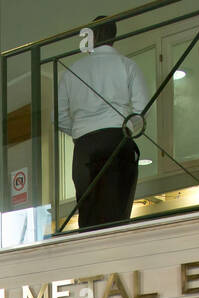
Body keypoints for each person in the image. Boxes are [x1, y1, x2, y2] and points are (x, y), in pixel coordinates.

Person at [57, 15, 149, 230]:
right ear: (114, 36)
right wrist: (126, 130)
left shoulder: (72, 71)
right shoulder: (128, 66)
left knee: (88, 215)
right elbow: (141, 112)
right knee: (117, 214)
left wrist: (81, 131)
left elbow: (59, 117)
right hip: (117, 138)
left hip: (84, 147)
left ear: (91, 36)